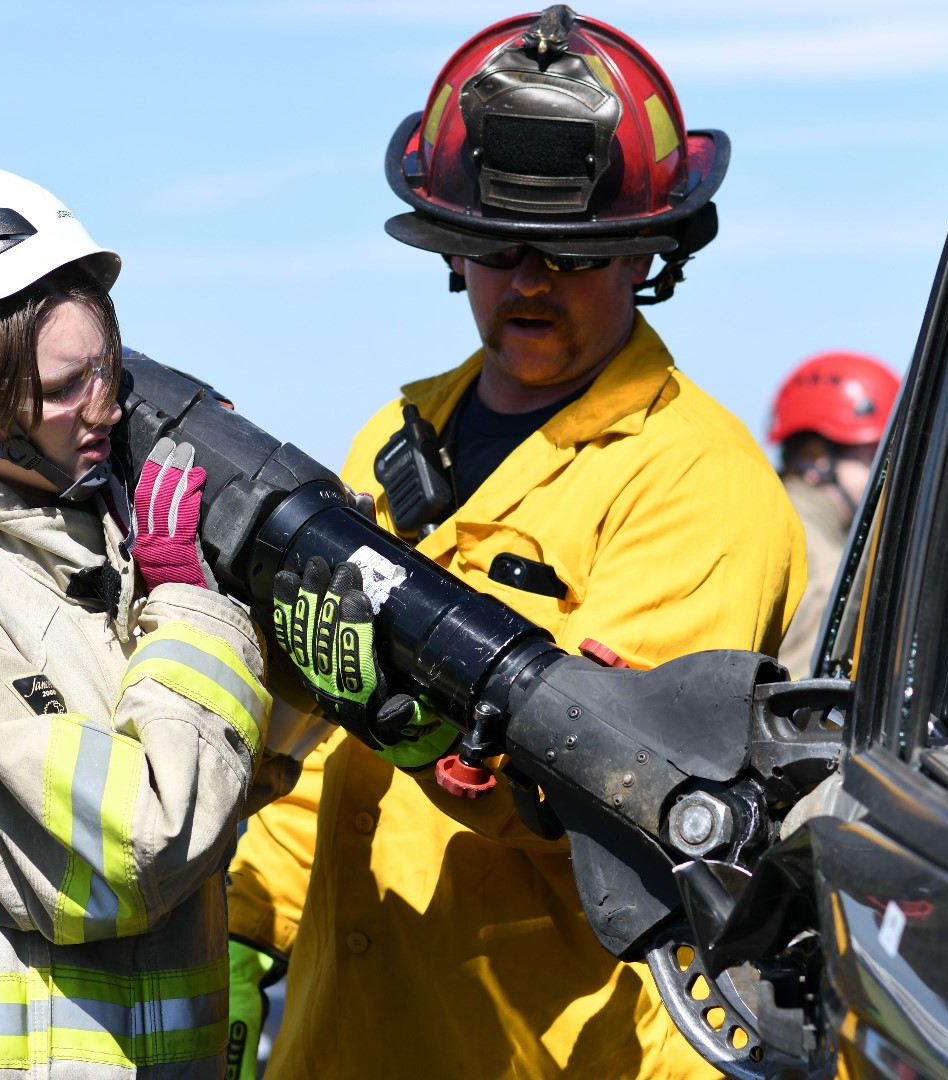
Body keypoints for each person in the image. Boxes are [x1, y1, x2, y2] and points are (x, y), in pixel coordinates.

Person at [224, 7, 809, 1077]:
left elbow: (635, 798)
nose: (529, 282)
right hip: (347, 1038)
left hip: (555, 1050)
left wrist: (440, 735)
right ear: (449, 246)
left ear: (646, 253)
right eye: (497, 250)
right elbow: (333, 746)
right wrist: (245, 915)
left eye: (570, 255)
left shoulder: (697, 485)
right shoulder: (399, 437)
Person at [0, 164, 295, 1079]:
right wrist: (190, 609)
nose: (107, 409)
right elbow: (142, 847)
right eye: (69, 387)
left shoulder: (86, 550)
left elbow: (217, 771)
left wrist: (297, 619)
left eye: (110, 370)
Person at [767, 351, 900, 676]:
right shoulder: (830, 577)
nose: (889, 478)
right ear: (815, 459)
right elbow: (808, 710)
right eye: (873, 460)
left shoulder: (774, 513)